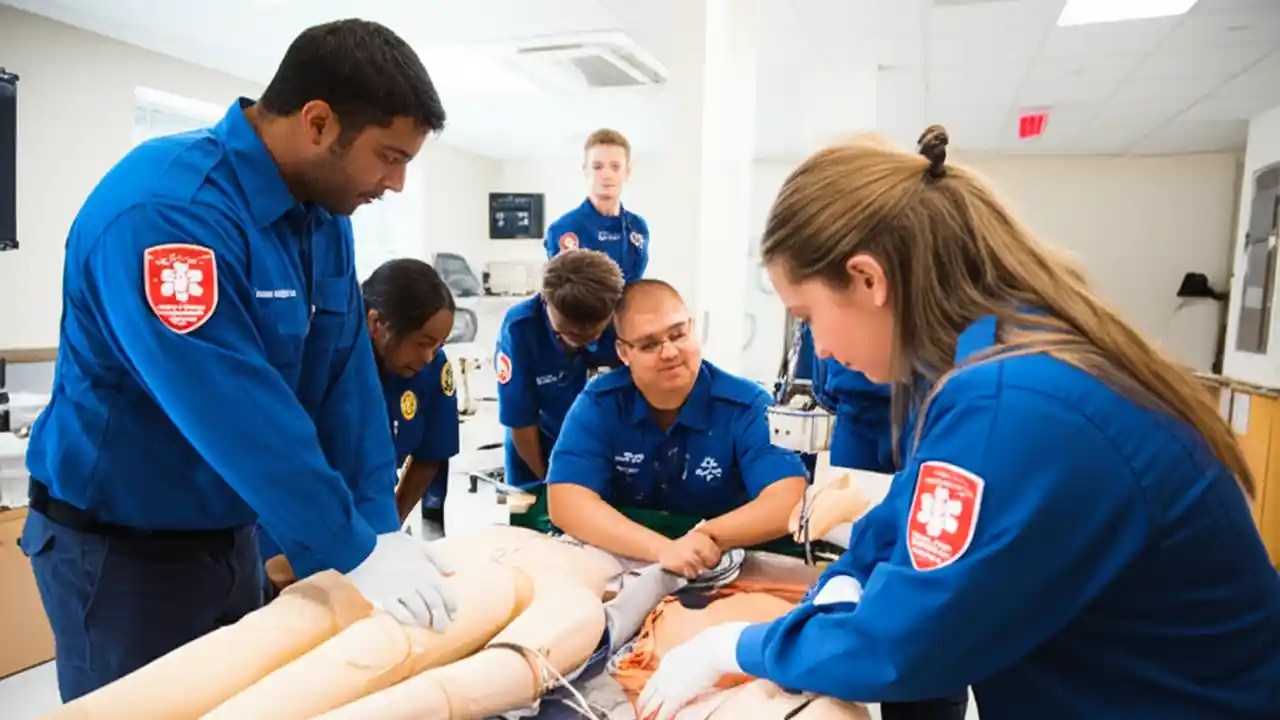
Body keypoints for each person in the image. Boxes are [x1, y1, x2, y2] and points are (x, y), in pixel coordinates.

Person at [638, 127, 1280, 720]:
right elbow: (902, 528)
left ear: (867, 279)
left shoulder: (1015, 405)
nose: (821, 350)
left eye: (807, 315)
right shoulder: (983, 363)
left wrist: (737, 647)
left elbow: (911, 642)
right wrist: (841, 585)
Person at [20, 20, 457, 701]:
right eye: (388, 156)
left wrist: (378, 533)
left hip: (232, 536)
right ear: (318, 123)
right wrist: (353, 549)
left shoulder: (323, 217)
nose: (396, 183)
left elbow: (347, 388)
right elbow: (236, 413)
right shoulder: (169, 215)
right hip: (123, 553)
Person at [546, 280, 808, 579]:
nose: (670, 352)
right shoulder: (601, 404)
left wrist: (707, 536)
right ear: (623, 352)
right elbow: (567, 500)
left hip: (724, 565)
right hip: (626, 564)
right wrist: (662, 550)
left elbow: (788, 499)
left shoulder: (746, 405)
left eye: (679, 334)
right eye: (649, 344)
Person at [495, 249, 626, 529]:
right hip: (535, 454)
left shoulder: (623, 320)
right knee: (532, 546)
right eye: (566, 334)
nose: (576, 343)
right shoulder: (520, 329)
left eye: (591, 335)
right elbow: (520, 421)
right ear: (547, 302)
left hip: (607, 453)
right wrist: (553, 485)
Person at [544, 128, 649, 283]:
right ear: (586, 171)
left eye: (615, 167)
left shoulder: (638, 228)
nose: (606, 175)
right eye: (598, 167)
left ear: (627, 172)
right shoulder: (562, 230)